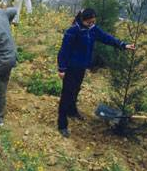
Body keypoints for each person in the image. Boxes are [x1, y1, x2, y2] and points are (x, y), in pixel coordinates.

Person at [56, 8, 135, 138]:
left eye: (93, 21)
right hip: (71, 68)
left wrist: (123, 45)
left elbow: (106, 37)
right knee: (66, 94)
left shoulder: (93, 29)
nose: (91, 24)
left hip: (82, 66)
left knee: (76, 90)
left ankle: (72, 111)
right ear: (82, 20)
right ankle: (62, 124)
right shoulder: (73, 31)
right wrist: (61, 69)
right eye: (89, 22)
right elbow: (64, 51)